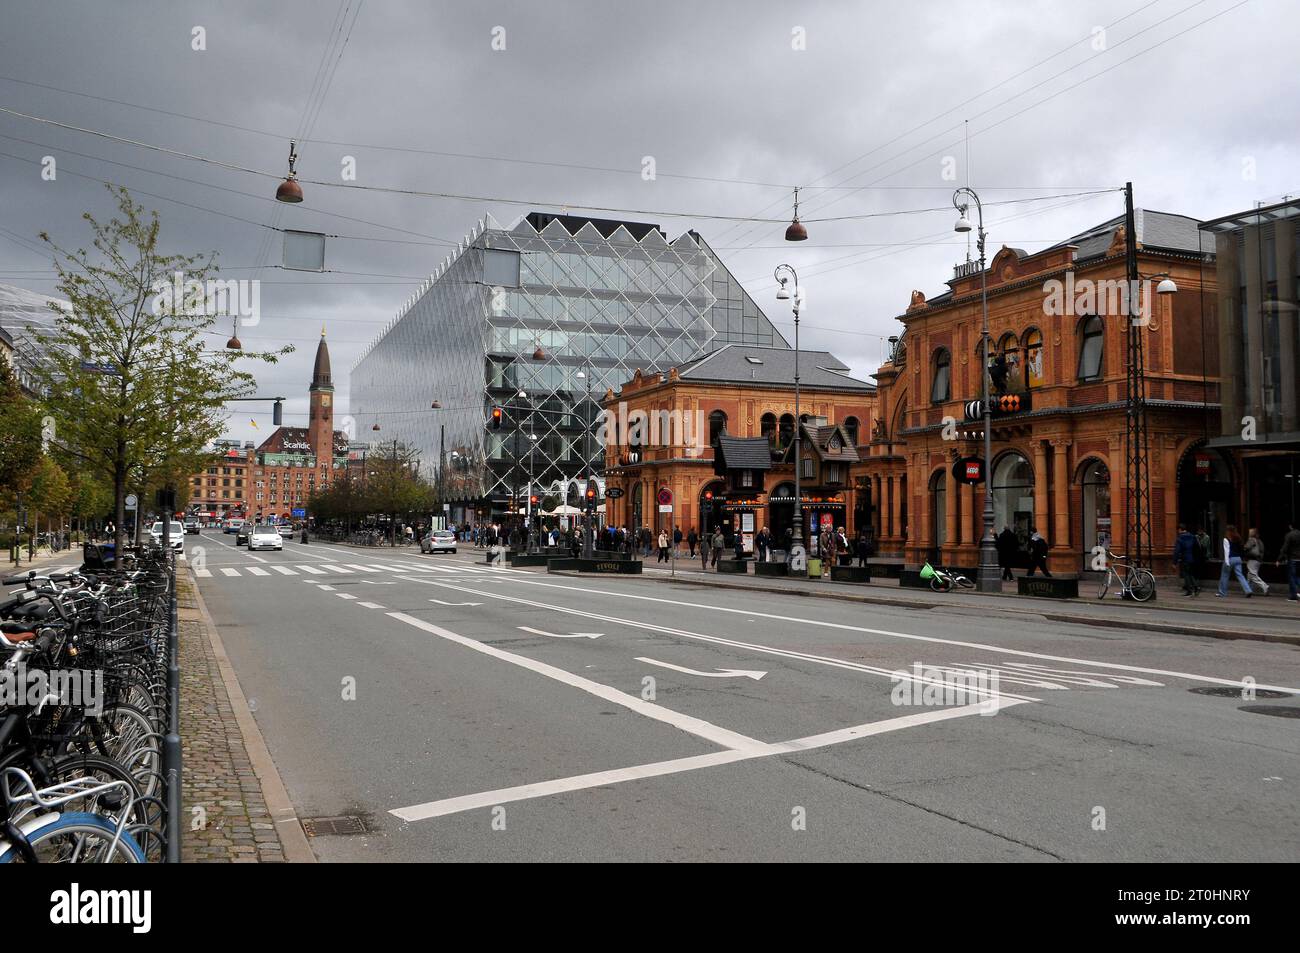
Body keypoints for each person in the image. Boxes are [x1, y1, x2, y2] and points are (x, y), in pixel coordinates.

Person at [1217, 525, 1253, 598]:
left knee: (1224, 575)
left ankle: (1222, 593)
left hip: (1230, 558)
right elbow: (1241, 549)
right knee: (1240, 575)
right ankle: (1248, 590)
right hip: (1238, 558)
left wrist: (1227, 562)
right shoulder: (1238, 538)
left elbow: (1226, 551)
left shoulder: (1226, 539)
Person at [1172, 523, 1201, 596]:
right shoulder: (1193, 537)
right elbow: (1197, 547)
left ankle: (1190, 590)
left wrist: (1174, 563)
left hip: (1185, 558)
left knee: (1186, 574)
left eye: (1178, 530)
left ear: (1180, 530)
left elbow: (1177, 551)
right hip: (1193, 558)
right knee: (1191, 573)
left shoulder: (1180, 539)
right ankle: (1196, 587)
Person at [1276, 522, 1300, 602]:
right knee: (1297, 577)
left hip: (1292, 559)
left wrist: (1279, 559)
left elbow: (1285, 548)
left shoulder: (1289, 535)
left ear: (1290, 527)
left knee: (1292, 577)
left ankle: (1293, 596)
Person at [1243, 528, 1270, 596]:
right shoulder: (1260, 541)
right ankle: (1248, 590)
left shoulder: (1251, 539)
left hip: (1252, 559)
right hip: (1258, 560)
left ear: (1252, 533)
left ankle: (1264, 586)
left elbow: (1246, 547)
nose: (1249, 533)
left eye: (1250, 532)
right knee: (1250, 576)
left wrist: (1243, 547)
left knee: (1253, 575)